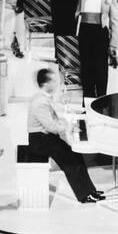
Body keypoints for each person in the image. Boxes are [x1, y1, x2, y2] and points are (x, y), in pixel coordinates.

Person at [23, 67, 104, 203]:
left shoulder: (44, 98)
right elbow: (52, 127)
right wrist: (69, 126)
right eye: (54, 81)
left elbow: (55, 119)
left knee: (75, 154)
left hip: (46, 137)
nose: (57, 84)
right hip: (40, 140)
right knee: (69, 159)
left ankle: (90, 190)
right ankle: (84, 195)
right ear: (47, 83)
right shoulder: (40, 102)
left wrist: (67, 124)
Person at [66, 0, 118, 98]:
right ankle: (87, 102)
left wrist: (113, 44)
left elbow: (114, 22)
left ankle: (101, 102)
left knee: (101, 70)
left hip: (101, 34)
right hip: (85, 32)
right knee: (86, 69)